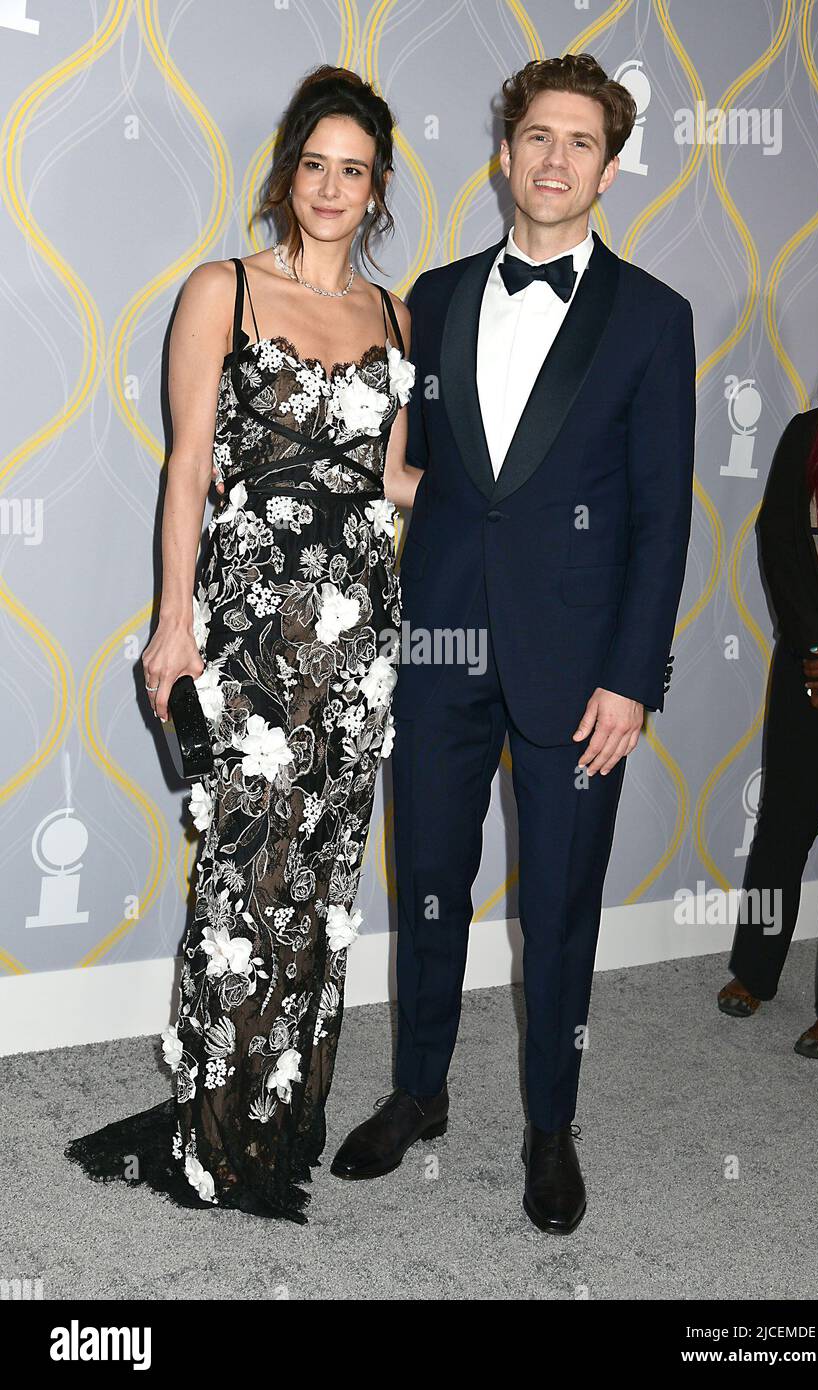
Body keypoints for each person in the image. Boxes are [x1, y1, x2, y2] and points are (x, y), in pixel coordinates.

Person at [330, 54, 696, 1234]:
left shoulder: (650, 317)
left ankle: (550, 1125)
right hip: (436, 651)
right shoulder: (430, 297)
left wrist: (631, 678)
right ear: (503, 151)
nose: (552, 160)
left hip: (578, 675)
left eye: (579, 143)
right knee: (427, 881)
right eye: (535, 136)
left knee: (561, 904)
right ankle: (419, 1092)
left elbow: (660, 511)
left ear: (609, 164)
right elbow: (433, 471)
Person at [65, 65, 421, 1223]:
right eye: (313, 164)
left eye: (352, 169)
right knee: (241, 875)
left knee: (321, 879)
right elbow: (186, 465)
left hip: (359, 632)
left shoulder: (395, 314)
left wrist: (513, 487)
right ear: (287, 174)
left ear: (376, 190)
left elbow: (392, 481)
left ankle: (282, 1111)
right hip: (250, 623)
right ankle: (217, 1128)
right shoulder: (224, 288)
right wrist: (174, 621)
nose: (330, 186)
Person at [719, 300, 818, 1059]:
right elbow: (779, 540)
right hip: (811, 666)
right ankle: (755, 970)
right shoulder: (811, 433)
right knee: (784, 823)